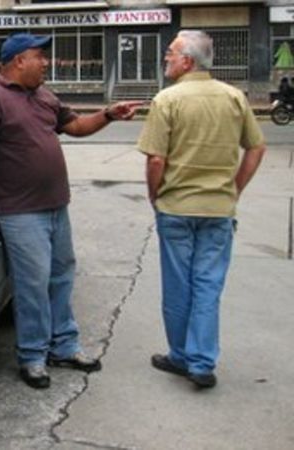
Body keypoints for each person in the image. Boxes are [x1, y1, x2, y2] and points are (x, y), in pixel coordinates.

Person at [0, 32, 142, 389]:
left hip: (56, 205)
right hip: (18, 210)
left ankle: (64, 346)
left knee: (61, 276)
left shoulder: (44, 95)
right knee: (32, 284)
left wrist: (108, 114)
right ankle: (33, 356)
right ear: (19, 61)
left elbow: (75, 126)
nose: (46, 63)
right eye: (39, 56)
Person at [137, 30, 265, 389]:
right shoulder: (233, 97)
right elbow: (256, 148)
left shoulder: (167, 100)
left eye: (171, 53)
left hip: (176, 208)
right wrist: (234, 188)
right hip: (219, 209)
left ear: (187, 61)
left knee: (178, 285)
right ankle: (202, 362)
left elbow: (156, 159)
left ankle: (180, 356)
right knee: (208, 285)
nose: (166, 58)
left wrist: (155, 196)